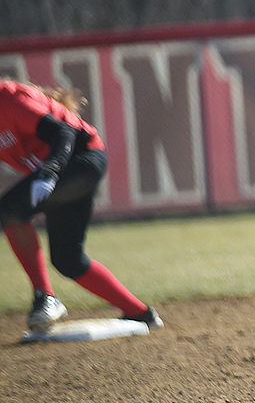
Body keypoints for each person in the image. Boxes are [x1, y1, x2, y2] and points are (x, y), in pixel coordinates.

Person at [1, 80, 163, 332]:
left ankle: (46, 297)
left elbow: (64, 132)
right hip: (60, 173)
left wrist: (50, 172)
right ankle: (141, 313)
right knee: (68, 260)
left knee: (10, 209)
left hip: (82, 160)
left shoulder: (8, 100)